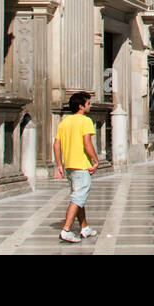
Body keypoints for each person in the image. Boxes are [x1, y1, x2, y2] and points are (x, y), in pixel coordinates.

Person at [54, 92, 99, 243]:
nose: (90, 105)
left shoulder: (64, 122)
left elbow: (56, 145)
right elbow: (87, 143)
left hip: (69, 166)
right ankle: (66, 230)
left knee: (79, 197)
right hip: (81, 165)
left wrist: (59, 164)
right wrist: (96, 160)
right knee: (78, 197)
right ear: (81, 106)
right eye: (88, 103)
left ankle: (84, 227)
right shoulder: (85, 121)